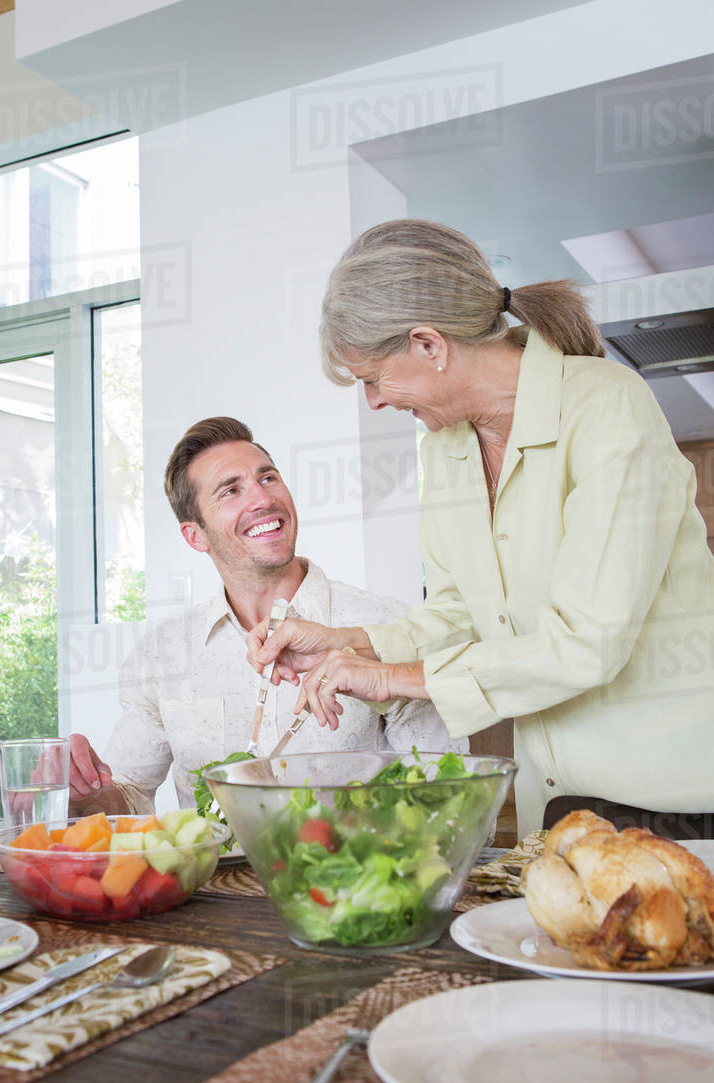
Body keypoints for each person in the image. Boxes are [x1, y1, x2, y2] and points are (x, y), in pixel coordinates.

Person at [248, 219, 714, 837]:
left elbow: (589, 641)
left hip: (675, 803)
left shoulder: (607, 407)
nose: (375, 403)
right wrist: (349, 644)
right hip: (556, 802)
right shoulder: (445, 449)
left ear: (429, 344)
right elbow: (457, 616)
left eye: (371, 379)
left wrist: (391, 680)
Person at [68, 416, 462, 814]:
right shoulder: (162, 656)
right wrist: (83, 793)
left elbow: (444, 793)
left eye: (268, 478)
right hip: (212, 878)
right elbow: (129, 796)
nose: (262, 499)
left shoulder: (390, 628)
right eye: (231, 491)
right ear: (195, 536)